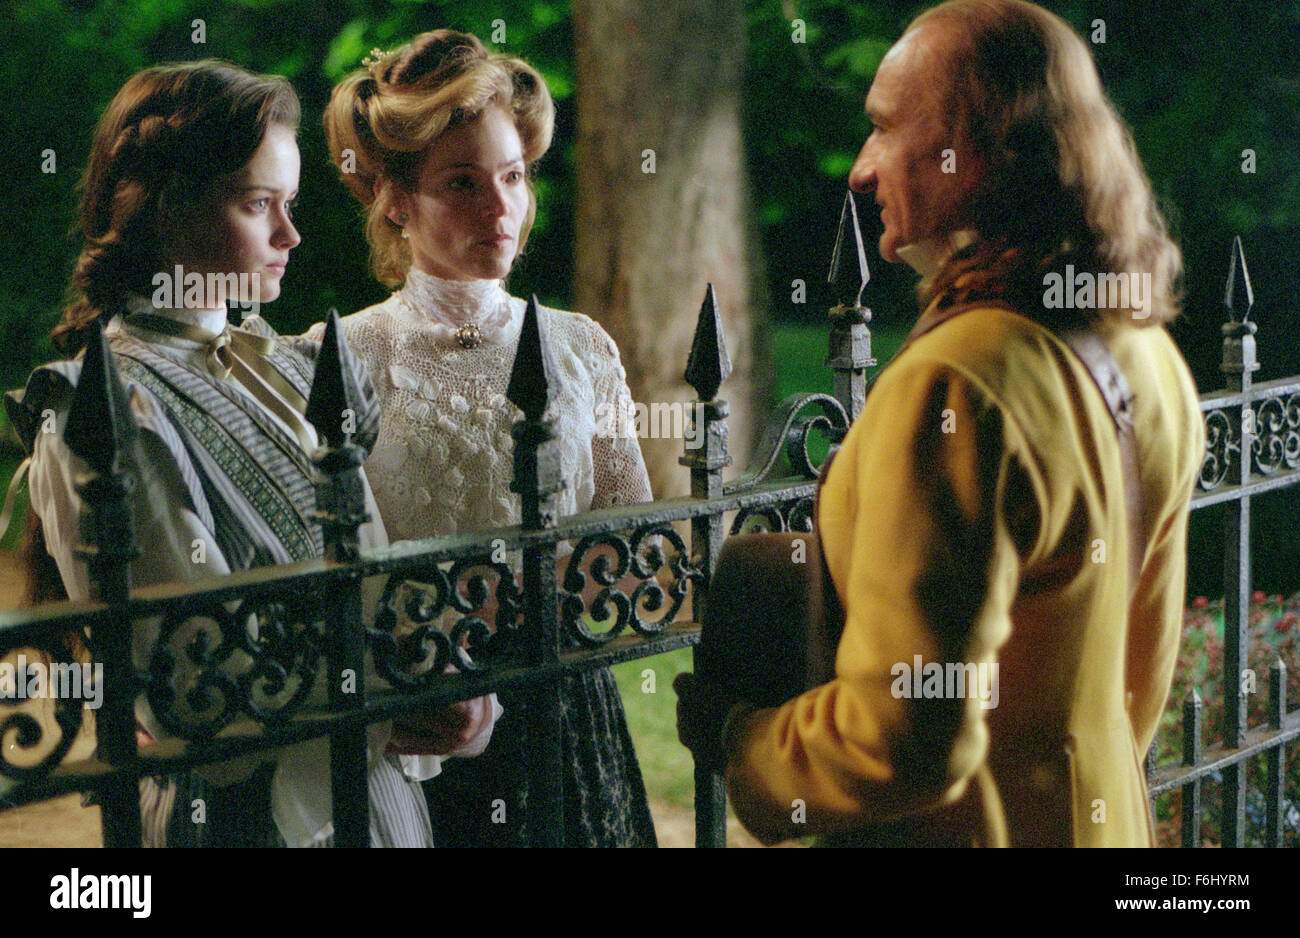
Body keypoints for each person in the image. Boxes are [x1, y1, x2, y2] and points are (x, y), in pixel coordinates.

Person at [675, 0, 1204, 847]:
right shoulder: (1147, 355)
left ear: (986, 148)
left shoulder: (955, 381)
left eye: (887, 128)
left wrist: (744, 740)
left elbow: (899, 742)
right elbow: (1136, 683)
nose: (860, 168)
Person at [6, 60, 494, 847]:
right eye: (257, 203)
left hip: (369, 788)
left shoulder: (283, 366)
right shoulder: (102, 408)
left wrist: (449, 683)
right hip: (245, 813)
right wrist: (394, 692)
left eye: (288, 203)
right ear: (169, 207)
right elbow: (196, 674)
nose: (289, 235)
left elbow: (371, 577)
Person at [311, 30, 657, 847]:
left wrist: (514, 596)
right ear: (396, 200)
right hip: (418, 733)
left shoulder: (580, 347)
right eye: (462, 183)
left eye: (512, 176)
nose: (500, 209)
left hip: (567, 719)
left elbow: (637, 546)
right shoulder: (340, 357)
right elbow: (317, 574)